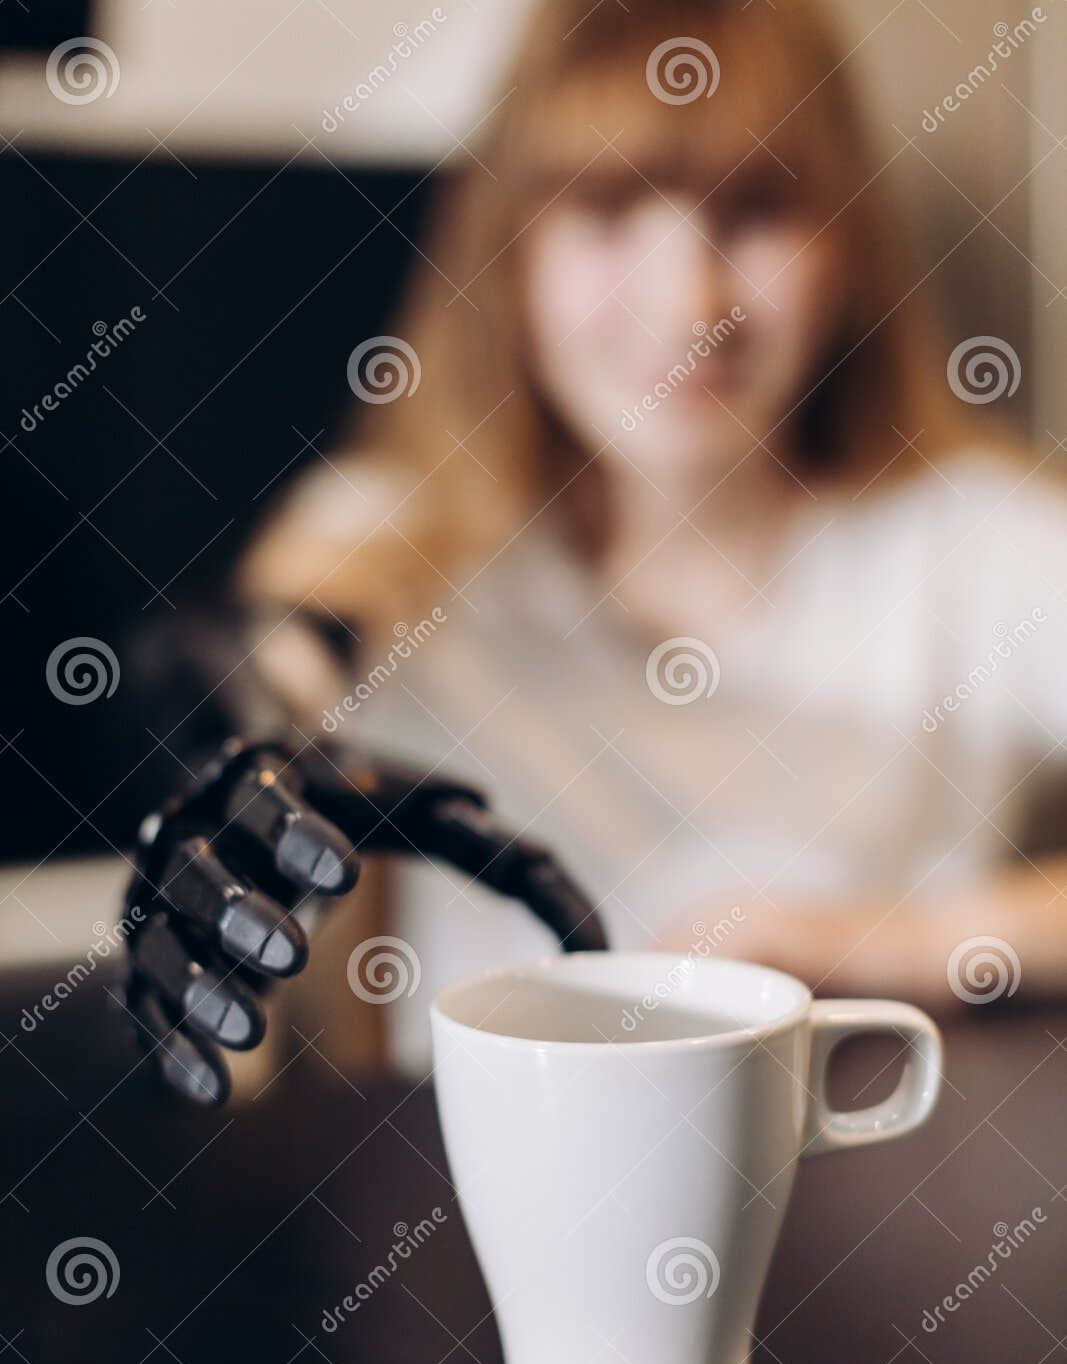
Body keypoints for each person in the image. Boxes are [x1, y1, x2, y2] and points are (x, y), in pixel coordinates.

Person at [235, 0, 1065, 1071]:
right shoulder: (396, 539)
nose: (691, 304)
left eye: (755, 209)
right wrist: (249, 700)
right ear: (509, 249)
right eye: (607, 209)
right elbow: (269, 668)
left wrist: (868, 944)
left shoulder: (980, 550)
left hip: (886, 1212)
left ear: (849, 246)